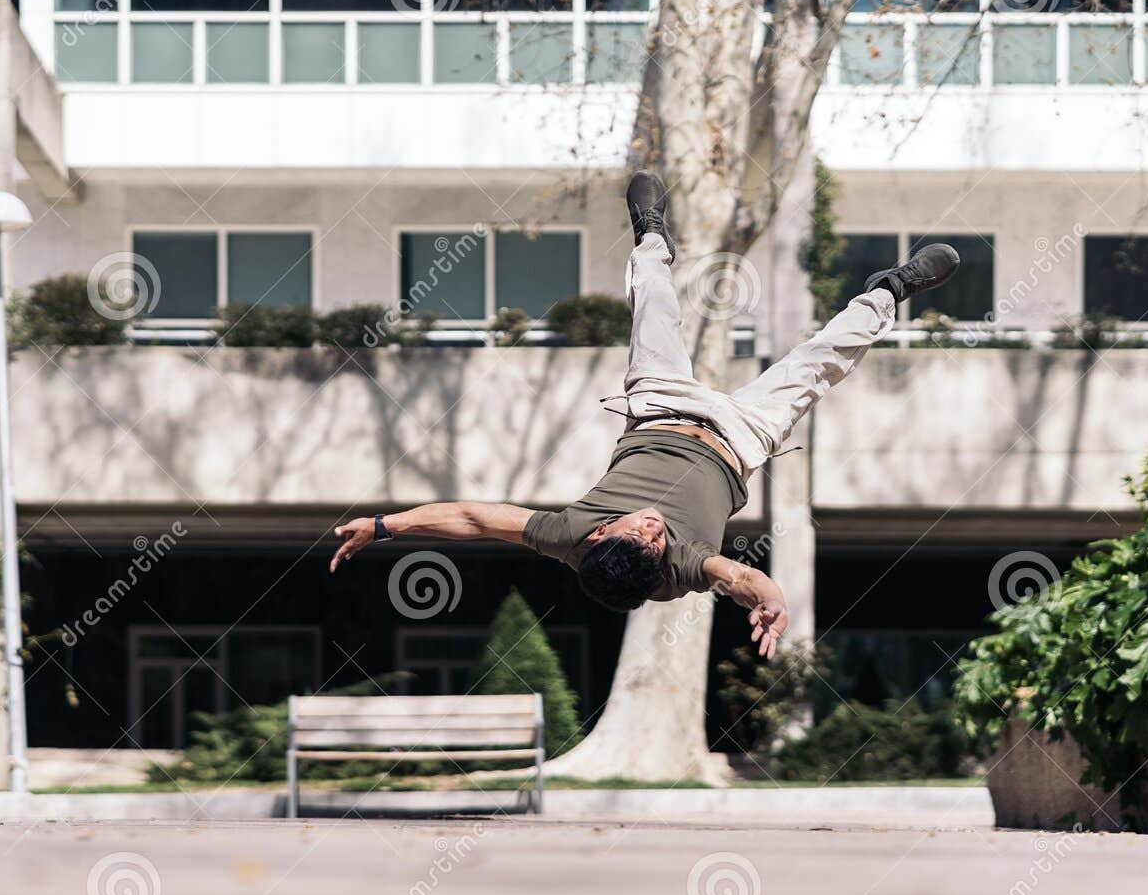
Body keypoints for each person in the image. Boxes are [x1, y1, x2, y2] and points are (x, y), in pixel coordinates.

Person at [331, 171, 959, 657]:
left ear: (597, 535)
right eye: (656, 540)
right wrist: (768, 599)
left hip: (661, 408)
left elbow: (470, 515)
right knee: (822, 361)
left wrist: (385, 526)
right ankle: (891, 288)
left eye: (640, 530)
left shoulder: (565, 534)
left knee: (654, 308)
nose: (654, 525)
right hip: (743, 438)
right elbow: (737, 576)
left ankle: (652, 233)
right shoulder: (675, 567)